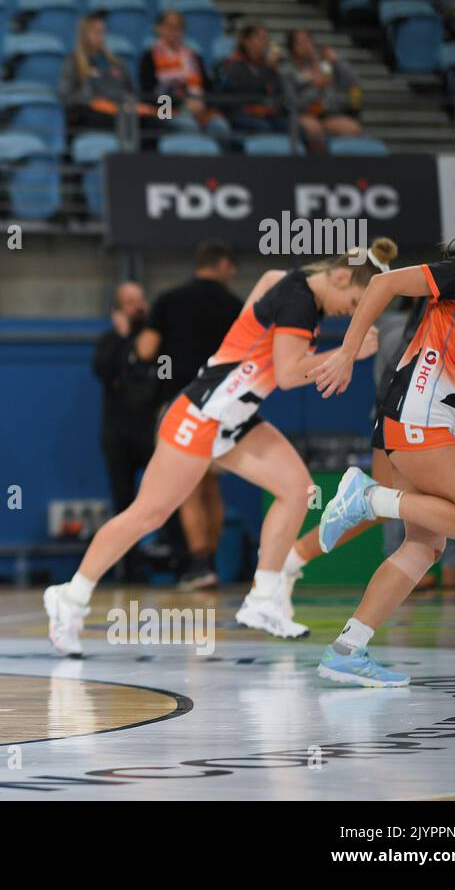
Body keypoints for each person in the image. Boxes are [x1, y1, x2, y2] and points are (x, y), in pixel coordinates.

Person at [45, 251, 385, 651]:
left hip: (236, 419)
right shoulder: (298, 301)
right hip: (202, 415)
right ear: (342, 277)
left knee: (297, 490)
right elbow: (291, 374)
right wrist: (349, 353)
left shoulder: (290, 283)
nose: (355, 315)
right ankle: (70, 597)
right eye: (358, 303)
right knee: (148, 514)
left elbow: (270, 280)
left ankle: (262, 599)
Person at [311, 175, 455, 686]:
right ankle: (371, 499)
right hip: (417, 417)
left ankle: (346, 650)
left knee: (424, 548)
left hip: (439, 419)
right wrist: (343, 352)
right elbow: (382, 283)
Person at [137, 240, 243, 588]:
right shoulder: (235, 305)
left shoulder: (169, 300)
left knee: (189, 487)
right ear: (224, 265)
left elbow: (146, 348)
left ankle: (199, 565)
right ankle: (209, 560)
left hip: (182, 402)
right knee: (212, 486)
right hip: (225, 404)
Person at [93, 282, 159, 521]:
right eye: (130, 303)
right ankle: (128, 557)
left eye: (140, 300)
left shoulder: (154, 339)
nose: (138, 307)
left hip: (150, 429)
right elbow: (102, 371)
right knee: (122, 498)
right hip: (118, 432)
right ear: (118, 309)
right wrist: (121, 337)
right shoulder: (111, 340)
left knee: (165, 492)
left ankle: (174, 552)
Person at [60, 12, 155, 133]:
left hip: (119, 110)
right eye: (96, 32)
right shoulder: (73, 62)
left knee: (152, 120)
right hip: (90, 113)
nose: (101, 37)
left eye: (103, 32)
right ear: (84, 34)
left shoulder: (116, 62)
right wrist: (92, 101)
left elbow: (129, 90)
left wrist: (127, 104)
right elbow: (65, 95)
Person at [138, 10, 225, 134]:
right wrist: (181, 103)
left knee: (219, 126)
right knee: (188, 125)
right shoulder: (149, 57)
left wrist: (201, 103)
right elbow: (148, 93)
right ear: (159, 28)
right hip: (164, 109)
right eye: (170, 26)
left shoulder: (194, 56)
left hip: (198, 107)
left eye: (179, 27)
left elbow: (207, 87)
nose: (175, 31)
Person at [284, 30, 362, 153]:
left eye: (309, 41)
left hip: (326, 114)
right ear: (293, 48)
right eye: (302, 42)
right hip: (302, 114)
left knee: (353, 128)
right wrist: (316, 88)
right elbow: (291, 102)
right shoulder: (289, 72)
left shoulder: (324, 66)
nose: (307, 45)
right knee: (315, 131)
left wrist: (337, 62)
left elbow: (353, 82)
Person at [217, 22, 289, 134]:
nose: (264, 43)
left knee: (290, 126)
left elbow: (278, 90)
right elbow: (244, 88)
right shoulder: (232, 63)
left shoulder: (267, 66)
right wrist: (267, 70)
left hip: (265, 112)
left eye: (266, 39)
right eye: (260, 38)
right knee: (264, 128)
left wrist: (273, 71)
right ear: (246, 41)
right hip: (240, 112)